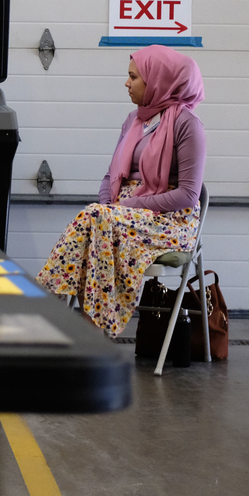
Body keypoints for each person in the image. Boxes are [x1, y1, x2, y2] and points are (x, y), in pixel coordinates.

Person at [36, 45, 206, 338]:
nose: (126, 83)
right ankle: (86, 331)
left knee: (96, 220)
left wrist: (129, 206)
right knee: (97, 221)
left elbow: (189, 194)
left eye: (133, 77)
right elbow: (110, 175)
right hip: (121, 217)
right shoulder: (134, 120)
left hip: (169, 220)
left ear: (158, 81)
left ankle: (56, 312)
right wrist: (109, 207)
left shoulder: (187, 125)